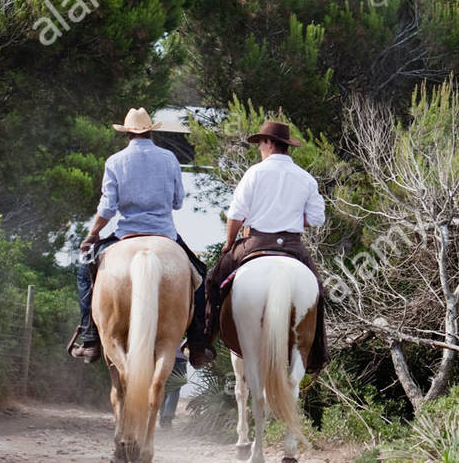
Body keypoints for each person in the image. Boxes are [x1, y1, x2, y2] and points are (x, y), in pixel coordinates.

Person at [73, 107, 213, 367]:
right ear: (151, 131)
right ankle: (197, 344)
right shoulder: (170, 158)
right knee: (201, 276)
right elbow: (178, 201)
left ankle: (91, 338)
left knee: (84, 269)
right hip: (165, 235)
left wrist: (92, 235)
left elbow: (107, 208)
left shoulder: (115, 161)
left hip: (126, 233)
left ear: (127, 134)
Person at [205, 119, 329, 371]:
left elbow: (236, 214)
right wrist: (293, 219)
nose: (259, 148)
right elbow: (317, 218)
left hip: (255, 242)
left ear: (270, 143)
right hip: (294, 246)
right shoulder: (305, 178)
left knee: (213, 281)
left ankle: (205, 339)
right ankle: (317, 351)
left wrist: (229, 243)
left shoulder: (255, 173)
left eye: (261, 143)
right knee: (317, 289)